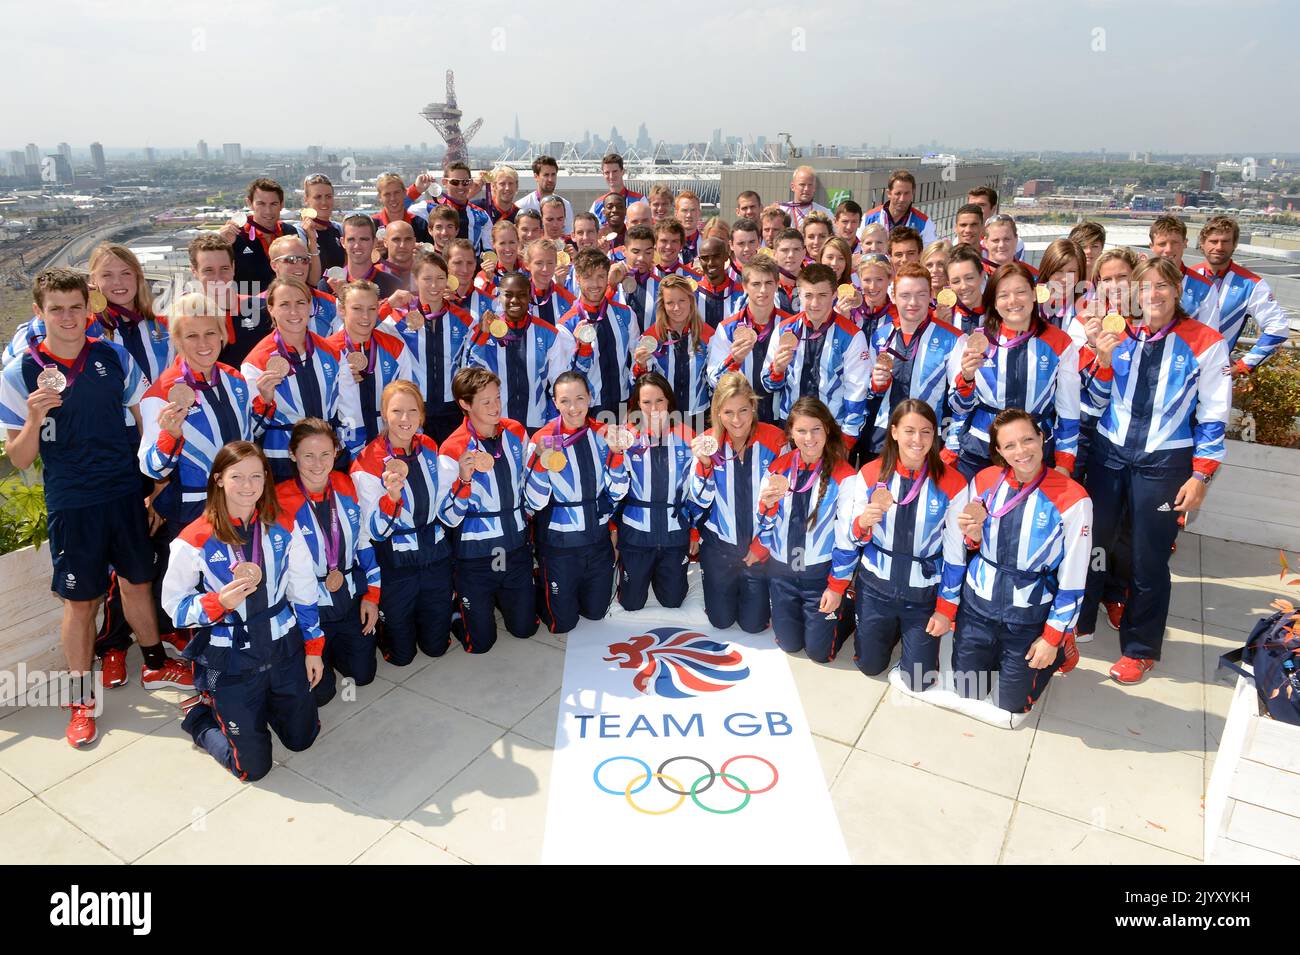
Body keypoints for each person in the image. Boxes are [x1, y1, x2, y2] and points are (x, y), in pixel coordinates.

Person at [1, 269, 190, 748]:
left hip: (124, 491)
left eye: (75, 307)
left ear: (89, 310)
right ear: (38, 314)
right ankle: (82, 701)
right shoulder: (17, 374)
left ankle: (153, 665)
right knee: (81, 602)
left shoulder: (113, 355)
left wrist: (151, 483)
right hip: (72, 502)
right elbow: (20, 457)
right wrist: (36, 414)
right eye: (56, 308)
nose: (67, 317)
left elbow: (142, 419)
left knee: (137, 583)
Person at [1076, 257, 1231, 684]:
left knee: (1149, 556)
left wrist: (1201, 476)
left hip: (1165, 462)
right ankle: (1081, 618)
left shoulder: (1206, 341)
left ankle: (1141, 647)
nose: (1153, 295)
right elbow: (1092, 402)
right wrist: (1099, 359)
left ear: (1177, 290)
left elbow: (1215, 416)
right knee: (1096, 542)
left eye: (1162, 286)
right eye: (1145, 288)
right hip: (1109, 454)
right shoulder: (1116, 333)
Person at [164, 441, 323, 781]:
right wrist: (216, 603)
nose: (248, 485)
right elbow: (173, 607)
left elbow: (304, 587)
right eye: (237, 476)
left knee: (303, 740)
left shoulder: (283, 524)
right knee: (252, 769)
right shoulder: (194, 538)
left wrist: (313, 648)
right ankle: (201, 719)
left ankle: (261, 709)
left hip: (283, 649)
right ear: (219, 479)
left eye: (256, 476)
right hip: (231, 659)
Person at [138, 292, 268, 674]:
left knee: (244, 580)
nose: (203, 343)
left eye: (210, 333)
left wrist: (267, 402)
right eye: (191, 336)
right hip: (197, 510)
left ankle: (252, 661)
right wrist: (169, 435)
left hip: (243, 501)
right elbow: (152, 466)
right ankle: (210, 681)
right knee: (204, 594)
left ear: (223, 334)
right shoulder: (160, 393)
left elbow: (249, 435)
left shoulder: (234, 379)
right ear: (177, 341)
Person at [935, 409, 1093, 713]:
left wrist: (1052, 636)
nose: (1021, 451)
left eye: (1028, 440)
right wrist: (973, 533)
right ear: (998, 451)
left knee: (1011, 705)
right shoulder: (984, 480)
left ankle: (1060, 649)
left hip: (1028, 615)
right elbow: (971, 543)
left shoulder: (1074, 498)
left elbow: (1074, 575)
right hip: (979, 607)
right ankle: (994, 653)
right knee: (968, 692)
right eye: (1009, 446)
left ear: (1042, 438)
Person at [831, 399, 967, 687]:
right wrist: (863, 523)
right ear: (893, 432)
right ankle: (868, 622)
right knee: (869, 667)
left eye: (926, 432)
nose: (917, 440)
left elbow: (956, 553)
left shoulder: (954, 482)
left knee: (919, 680)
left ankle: (904, 632)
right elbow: (852, 537)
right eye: (909, 431)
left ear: (934, 435)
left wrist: (945, 609)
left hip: (922, 594)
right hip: (876, 587)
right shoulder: (870, 473)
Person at [278, 418, 380, 705]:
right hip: (308, 607)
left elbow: (362, 541)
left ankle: (337, 649)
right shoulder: (279, 499)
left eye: (325, 454)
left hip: (347, 597)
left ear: (336, 452)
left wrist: (372, 595)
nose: (317, 463)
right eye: (308, 455)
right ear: (292, 454)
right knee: (322, 695)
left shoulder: (344, 483)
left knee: (362, 676)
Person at [351, 381, 454, 665]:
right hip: (396, 562)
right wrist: (392, 498)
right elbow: (376, 531)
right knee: (401, 657)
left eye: (412, 411)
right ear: (384, 414)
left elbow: (444, 507)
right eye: (397, 411)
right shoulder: (366, 462)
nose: (405, 419)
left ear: (422, 415)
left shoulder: (430, 447)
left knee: (436, 648)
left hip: (434, 556)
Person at [437, 368, 539, 652]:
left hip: (514, 547)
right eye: (486, 402)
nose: (496, 407)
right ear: (465, 405)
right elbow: (447, 517)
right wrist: (463, 481)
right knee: (480, 644)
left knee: (525, 629)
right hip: (476, 556)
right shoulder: (451, 448)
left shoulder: (516, 431)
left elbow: (529, 485)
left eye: (497, 398)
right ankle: (460, 606)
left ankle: (508, 597)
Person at [948, 262, 1080, 476]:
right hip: (981, 449)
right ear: (994, 302)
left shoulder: (1059, 343)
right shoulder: (976, 340)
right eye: (1003, 295)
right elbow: (958, 407)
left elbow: (1069, 410)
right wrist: (966, 378)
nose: (1013, 301)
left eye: (1021, 292)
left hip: (1033, 451)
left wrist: (1065, 462)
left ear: (1034, 294)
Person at [750, 397, 856, 662]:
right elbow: (763, 527)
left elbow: (847, 538)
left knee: (819, 654)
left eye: (816, 429)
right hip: (782, 572)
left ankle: (848, 609)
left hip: (818, 576)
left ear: (828, 430)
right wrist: (768, 506)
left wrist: (837, 586)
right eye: (801, 430)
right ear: (791, 434)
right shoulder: (778, 467)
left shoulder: (845, 475)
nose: (809, 438)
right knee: (789, 645)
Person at [525, 371, 629, 633]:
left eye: (580, 398)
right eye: (565, 400)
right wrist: (539, 463)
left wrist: (617, 456)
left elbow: (618, 492)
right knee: (563, 624)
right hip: (560, 544)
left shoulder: (604, 434)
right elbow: (534, 502)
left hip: (597, 540)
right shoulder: (542, 439)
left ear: (590, 398)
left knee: (596, 614)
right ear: (555, 402)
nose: (573, 408)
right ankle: (539, 584)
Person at [689, 373, 786, 632]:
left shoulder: (775, 440)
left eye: (743, 410)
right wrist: (705, 466)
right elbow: (698, 502)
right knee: (720, 621)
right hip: (719, 550)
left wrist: (762, 546)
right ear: (717, 413)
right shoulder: (707, 443)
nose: (736, 420)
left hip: (758, 550)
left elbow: (785, 502)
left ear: (754, 407)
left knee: (753, 626)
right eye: (728, 412)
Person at [242, 277, 362, 481]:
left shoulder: (332, 352)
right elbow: (251, 430)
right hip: (282, 462)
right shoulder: (255, 362)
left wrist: (352, 449)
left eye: (300, 303)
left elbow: (349, 409)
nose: (294, 311)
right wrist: (264, 401)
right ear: (271, 309)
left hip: (327, 458)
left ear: (310, 306)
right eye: (284, 304)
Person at [860, 263, 965, 458]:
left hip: (926, 439)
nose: (913, 302)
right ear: (893, 296)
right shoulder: (880, 336)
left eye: (921, 294)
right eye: (905, 295)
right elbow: (866, 390)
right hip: (882, 438)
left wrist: (952, 445)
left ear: (931, 295)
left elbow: (963, 399)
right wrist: (876, 385)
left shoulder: (953, 339)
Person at [761, 263, 870, 443]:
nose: (815, 303)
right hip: (791, 427)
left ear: (834, 294)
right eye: (808, 296)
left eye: (822, 295)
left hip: (831, 429)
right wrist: (777, 370)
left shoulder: (852, 336)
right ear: (799, 295)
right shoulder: (784, 329)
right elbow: (768, 385)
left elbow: (857, 391)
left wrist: (847, 440)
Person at [617, 372, 696, 611]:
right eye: (646, 402)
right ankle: (633, 572)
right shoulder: (626, 437)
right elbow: (611, 490)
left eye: (659, 400)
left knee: (672, 601)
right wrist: (612, 528)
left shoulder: (687, 435)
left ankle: (662, 572)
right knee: (631, 603)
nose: (654, 409)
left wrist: (693, 531)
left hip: (674, 533)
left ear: (669, 401)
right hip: (637, 535)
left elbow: (694, 490)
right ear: (637, 405)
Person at [462, 271, 575, 430]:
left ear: (530, 297)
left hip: (536, 423)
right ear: (499, 297)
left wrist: (552, 421)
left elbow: (560, 382)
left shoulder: (549, 334)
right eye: (508, 295)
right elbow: (470, 374)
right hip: (495, 423)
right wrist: (482, 335)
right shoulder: (483, 331)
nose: (515, 300)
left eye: (522, 295)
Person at [382, 249, 474, 444]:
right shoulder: (399, 318)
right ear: (415, 280)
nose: (434, 285)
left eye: (440, 278)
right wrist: (388, 303)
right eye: (427, 278)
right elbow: (362, 326)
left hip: (453, 411)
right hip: (415, 410)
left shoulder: (464, 319)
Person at [1192, 215, 1289, 375]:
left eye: (1225, 241)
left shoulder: (1252, 284)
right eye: (1213, 241)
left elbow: (1278, 329)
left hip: (1214, 375)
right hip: (1174, 370)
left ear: (1235, 244)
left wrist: (1244, 365)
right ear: (1202, 244)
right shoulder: (1186, 277)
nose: (1219, 247)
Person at [327, 280, 412, 460]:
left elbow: (408, 400)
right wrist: (338, 380)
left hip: (387, 444)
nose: (365, 316)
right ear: (342, 310)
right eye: (357, 309)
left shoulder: (395, 348)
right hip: (341, 449)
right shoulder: (327, 351)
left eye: (372, 309)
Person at [708, 258, 789, 424]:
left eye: (768, 283)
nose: (763, 290)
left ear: (777, 284)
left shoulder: (791, 327)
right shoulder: (727, 328)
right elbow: (713, 380)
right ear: (745, 286)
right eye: (756, 284)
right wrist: (734, 360)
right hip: (739, 420)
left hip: (779, 418)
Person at [630, 274, 714, 430]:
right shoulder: (651, 338)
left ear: (691, 300)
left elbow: (715, 379)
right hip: (663, 418)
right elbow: (636, 384)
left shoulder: (708, 335)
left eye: (682, 300)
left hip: (700, 417)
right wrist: (640, 366)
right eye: (670, 303)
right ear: (662, 305)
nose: (676, 308)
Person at [564, 248, 638, 418]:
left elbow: (635, 360)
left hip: (624, 406)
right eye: (588, 277)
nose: (596, 284)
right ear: (578, 278)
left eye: (601, 277)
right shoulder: (567, 324)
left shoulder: (626, 314)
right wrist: (582, 349)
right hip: (589, 412)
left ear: (607, 278)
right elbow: (567, 380)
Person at [86, 243, 172, 384]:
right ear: (94, 280)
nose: (117, 282)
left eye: (126, 273)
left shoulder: (164, 326)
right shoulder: (87, 329)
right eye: (107, 275)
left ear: (138, 277)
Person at [219, 177, 298, 289]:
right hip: (249, 305)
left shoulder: (289, 232)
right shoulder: (236, 235)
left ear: (281, 204)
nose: (268, 211)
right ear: (249, 203)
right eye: (261, 204)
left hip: (286, 302)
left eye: (273, 204)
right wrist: (222, 244)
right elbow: (219, 277)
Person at [410, 161, 493, 255]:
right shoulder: (427, 208)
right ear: (444, 182)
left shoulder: (482, 216)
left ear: (470, 183)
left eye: (465, 182)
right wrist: (416, 189)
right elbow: (397, 209)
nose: (460, 187)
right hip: (437, 266)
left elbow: (489, 251)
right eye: (455, 182)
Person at [268, 235, 338, 337]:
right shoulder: (256, 304)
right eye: (291, 260)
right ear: (274, 265)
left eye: (305, 260)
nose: (300, 266)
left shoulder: (330, 303)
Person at [324, 214, 402, 299]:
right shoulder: (328, 284)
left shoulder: (393, 285)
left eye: (364, 239)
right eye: (351, 240)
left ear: (375, 242)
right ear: (343, 242)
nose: (357, 246)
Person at [861, 169, 936, 247]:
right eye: (898, 193)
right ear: (889, 193)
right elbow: (859, 249)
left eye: (907, 193)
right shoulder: (869, 218)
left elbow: (929, 255)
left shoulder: (924, 223)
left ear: (913, 193)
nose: (902, 199)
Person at [695, 236, 745, 328]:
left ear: (726, 256)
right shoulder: (692, 294)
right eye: (705, 258)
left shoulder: (742, 294)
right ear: (699, 260)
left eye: (716, 256)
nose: (710, 263)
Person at [299, 173, 346, 272]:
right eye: (318, 197)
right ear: (306, 199)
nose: (324, 202)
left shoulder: (339, 229)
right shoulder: (299, 233)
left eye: (328, 196)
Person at [518, 155, 574, 233]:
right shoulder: (522, 206)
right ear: (536, 176)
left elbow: (568, 234)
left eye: (553, 174)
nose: (550, 179)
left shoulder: (565, 205)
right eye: (546, 175)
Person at [372, 172, 432, 244]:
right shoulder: (371, 225)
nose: (392, 198)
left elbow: (431, 253)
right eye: (387, 194)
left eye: (397, 192)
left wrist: (421, 253)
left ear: (404, 193)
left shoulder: (420, 225)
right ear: (380, 197)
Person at [590, 153, 644, 223]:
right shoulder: (597, 205)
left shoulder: (639, 200)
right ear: (603, 174)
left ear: (623, 172)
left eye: (615, 171)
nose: (611, 176)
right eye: (607, 173)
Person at [945, 244, 987, 334]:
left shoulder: (998, 315)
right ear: (949, 284)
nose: (963, 286)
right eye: (956, 281)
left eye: (969, 278)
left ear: (982, 276)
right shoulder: (944, 317)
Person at [728, 216, 761, 283]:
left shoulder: (770, 274)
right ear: (731, 245)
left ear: (759, 242)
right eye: (741, 243)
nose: (747, 248)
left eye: (751, 242)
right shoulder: (723, 276)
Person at [675, 190, 704, 263]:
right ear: (676, 213)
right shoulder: (667, 245)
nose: (689, 215)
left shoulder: (707, 243)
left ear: (699, 213)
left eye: (693, 210)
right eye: (684, 210)